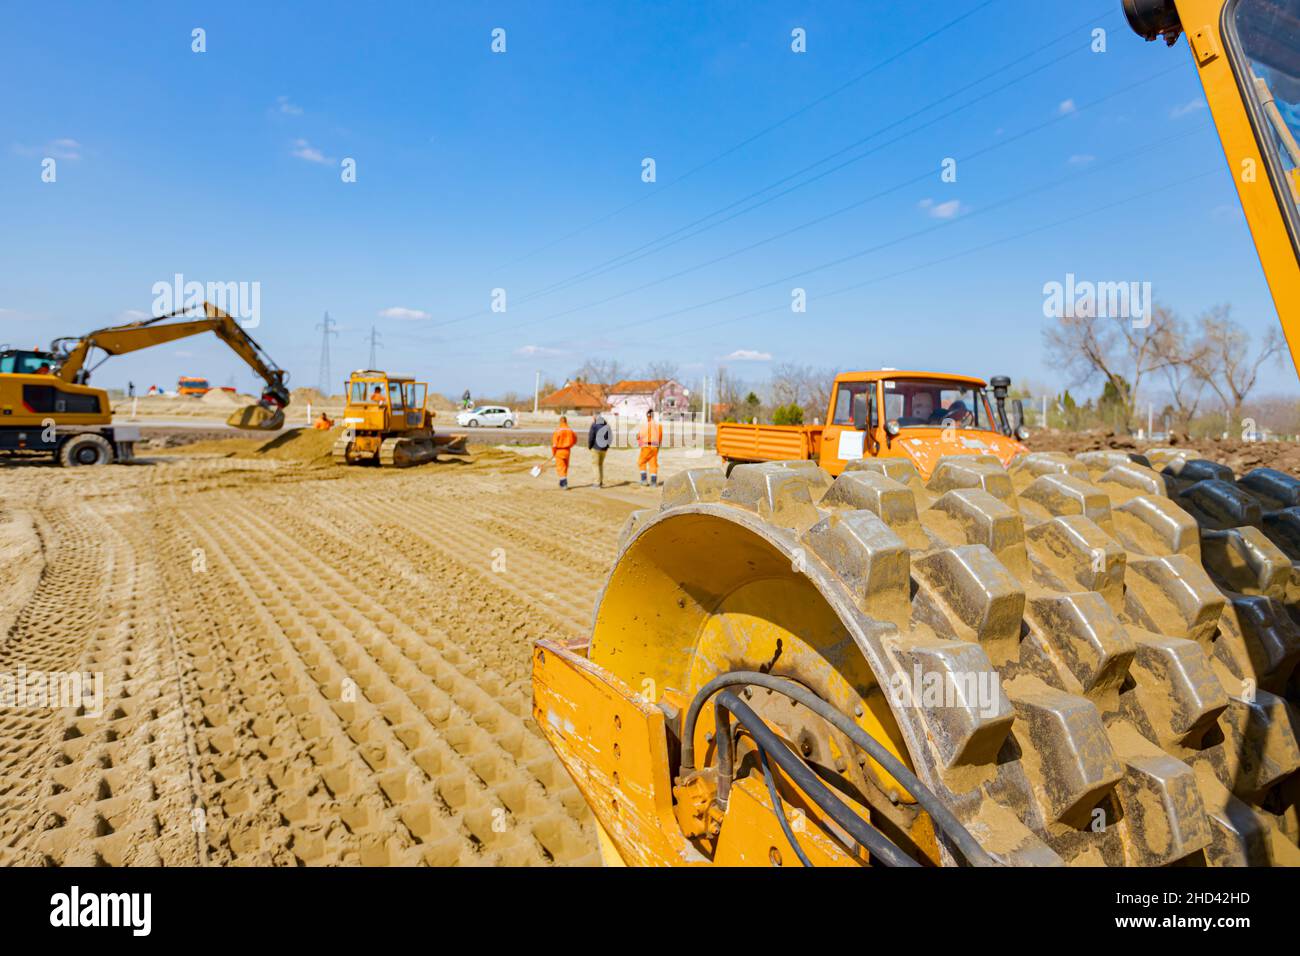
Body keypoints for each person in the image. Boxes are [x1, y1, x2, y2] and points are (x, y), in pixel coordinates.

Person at [637, 408, 663, 487]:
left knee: (641, 462)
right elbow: (660, 437)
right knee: (653, 464)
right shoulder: (658, 426)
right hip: (655, 447)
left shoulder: (645, 425)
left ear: (647, 416)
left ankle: (644, 480)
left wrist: (640, 442)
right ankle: (653, 482)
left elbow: (639, 436)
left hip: (646, 446)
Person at [551, 415, 577, 489]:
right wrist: (570, 445)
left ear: (560, 422)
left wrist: (554, 453)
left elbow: (554, 444)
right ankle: (562, 482)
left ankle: (564, 483)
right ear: (566, 421)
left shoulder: (558, 431)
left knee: (561, 467)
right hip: (567, 450)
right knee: (565, 467)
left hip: (559, 451)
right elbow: (575, 439)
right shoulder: (570, 430)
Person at [588, 411, 611, 488]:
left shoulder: (594, 425)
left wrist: (589, 446)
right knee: (600, 465)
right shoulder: (606, 425)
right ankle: (600, 481)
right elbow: (609, 437)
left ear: (595, 417)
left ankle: (597, 483)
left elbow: (591, 437)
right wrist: (607, 447)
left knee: (595, 465)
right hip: (604, 448)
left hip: (596, 448)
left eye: (593, 417)